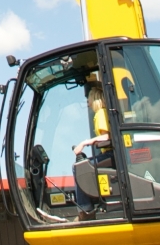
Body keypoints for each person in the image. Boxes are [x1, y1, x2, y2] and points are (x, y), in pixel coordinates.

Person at [72, 84, 110, 221]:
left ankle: (85, 209)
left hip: (110, 154)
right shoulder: (102, 113)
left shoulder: (101, 113)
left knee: (79, 168)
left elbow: (106, 137)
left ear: (94, 98)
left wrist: (84, 143)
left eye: (88, 98)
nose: (87, 102)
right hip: (108, 154)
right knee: (86, 165)